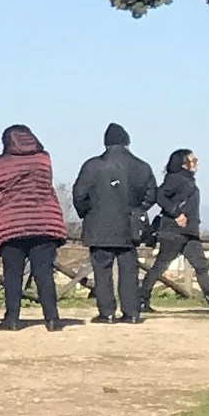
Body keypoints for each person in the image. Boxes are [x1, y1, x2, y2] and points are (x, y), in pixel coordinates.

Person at [0, 123, 69, 329]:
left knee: (12, 274)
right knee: (44, 273)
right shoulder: (44, 159)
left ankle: (12, 319)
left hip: (12, 224)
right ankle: (52, 319)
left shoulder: (1, 163)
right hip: (45, 222)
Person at [73, 122, 159, 326]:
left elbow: (79, 194)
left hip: (99, 224)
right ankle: (132, 313)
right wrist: (138, 210)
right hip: (129, 226)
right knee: (129, 269)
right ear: (127, 142)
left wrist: (87, 212)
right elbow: (152, 194)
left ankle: (107, 313)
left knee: (102, 269)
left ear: (106, 144)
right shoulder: (142, 166)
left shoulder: (92, 165)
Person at [145, 144, 209, 313]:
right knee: (161, 265)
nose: (197, 163)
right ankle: (142, 298)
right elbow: (159, 195)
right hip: (173, 231)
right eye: (194, 160)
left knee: (201, 265)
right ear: (184, 163)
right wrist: (176, 213)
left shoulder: (187, 180)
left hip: (189, 232)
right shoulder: (176, 179)